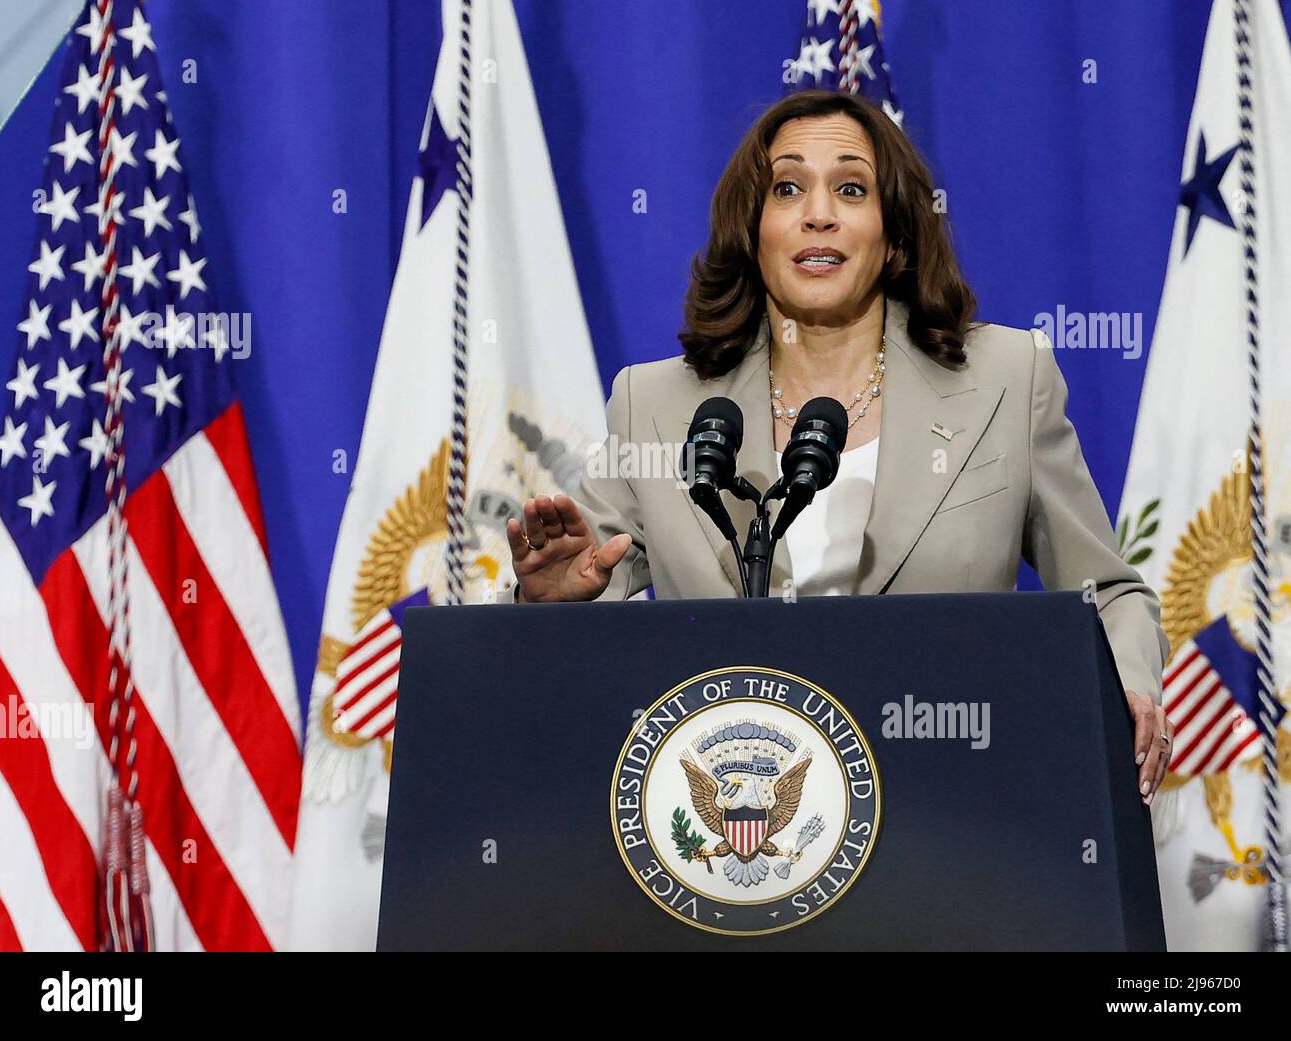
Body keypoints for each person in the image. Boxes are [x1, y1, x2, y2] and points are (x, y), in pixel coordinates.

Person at [495, 89, 1173, 805]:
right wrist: (548, 601)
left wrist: (1126, 681)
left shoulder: (1006, 378)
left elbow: (1111, 593)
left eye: (851, 187)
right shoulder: (657, 406)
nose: (818, 212)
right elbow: (579, 617)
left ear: (895, 235)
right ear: (753, 230)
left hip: (954, 818)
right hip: (742, 827)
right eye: (787, 188)